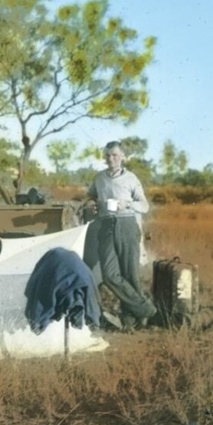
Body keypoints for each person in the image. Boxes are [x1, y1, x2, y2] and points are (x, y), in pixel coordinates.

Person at [85, 140, 156, 329]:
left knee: (130, 274)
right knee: (109, 275)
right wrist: (91, 203)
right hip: (106, 226)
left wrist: (129, 204)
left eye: (115, 155)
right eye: (108, 155)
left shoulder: (131, 179)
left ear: (123, 157)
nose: (111, 159)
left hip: (126, 225)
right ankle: (146, 310)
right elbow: (90, 196)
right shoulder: (99, 178)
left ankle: (130, 322)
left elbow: (145, 205)